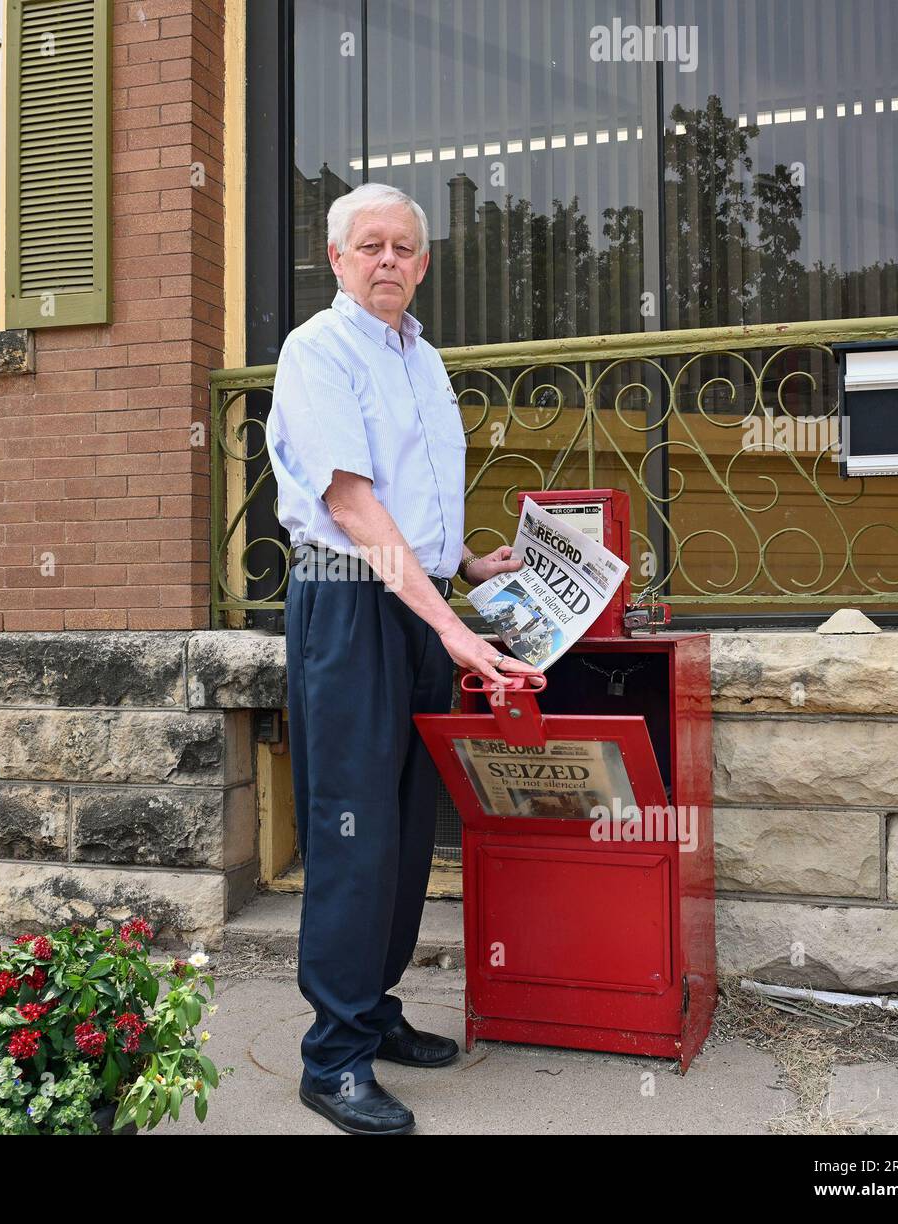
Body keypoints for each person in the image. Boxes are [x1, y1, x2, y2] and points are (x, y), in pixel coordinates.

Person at [266, 182, 538, 1135]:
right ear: (337, 260)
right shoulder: (317, 352)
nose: (388, 259)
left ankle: (373, 1012)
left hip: (417, 603)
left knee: (410, 825)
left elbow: (412, 500)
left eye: (404, 247)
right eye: (369, 245)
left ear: (423, 264)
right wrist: (457, 625)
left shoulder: (423, 358)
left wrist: (467, 563)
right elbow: (349, 503)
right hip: (347, 607)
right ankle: (331, 1057)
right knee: (352, 830)